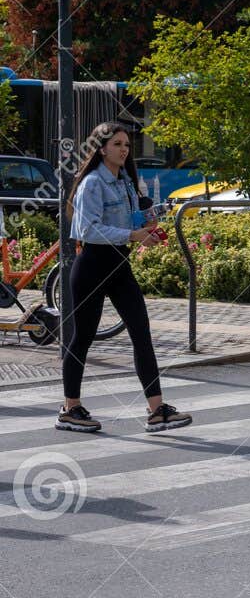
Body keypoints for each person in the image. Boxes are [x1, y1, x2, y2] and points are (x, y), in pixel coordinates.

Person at [57, 123, 191, 435]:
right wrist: (132, 234)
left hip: (119, 265)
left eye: (127, 145)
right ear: (102, 149)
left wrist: (147, 227)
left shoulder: (126, 183)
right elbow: (86, 229)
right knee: (83, 338)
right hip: (92, 265)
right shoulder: (92, 183)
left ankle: (157, 410)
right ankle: (70, 408)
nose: (124, 149)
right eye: (117, 144)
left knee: (141, 333)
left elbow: (132, 219)